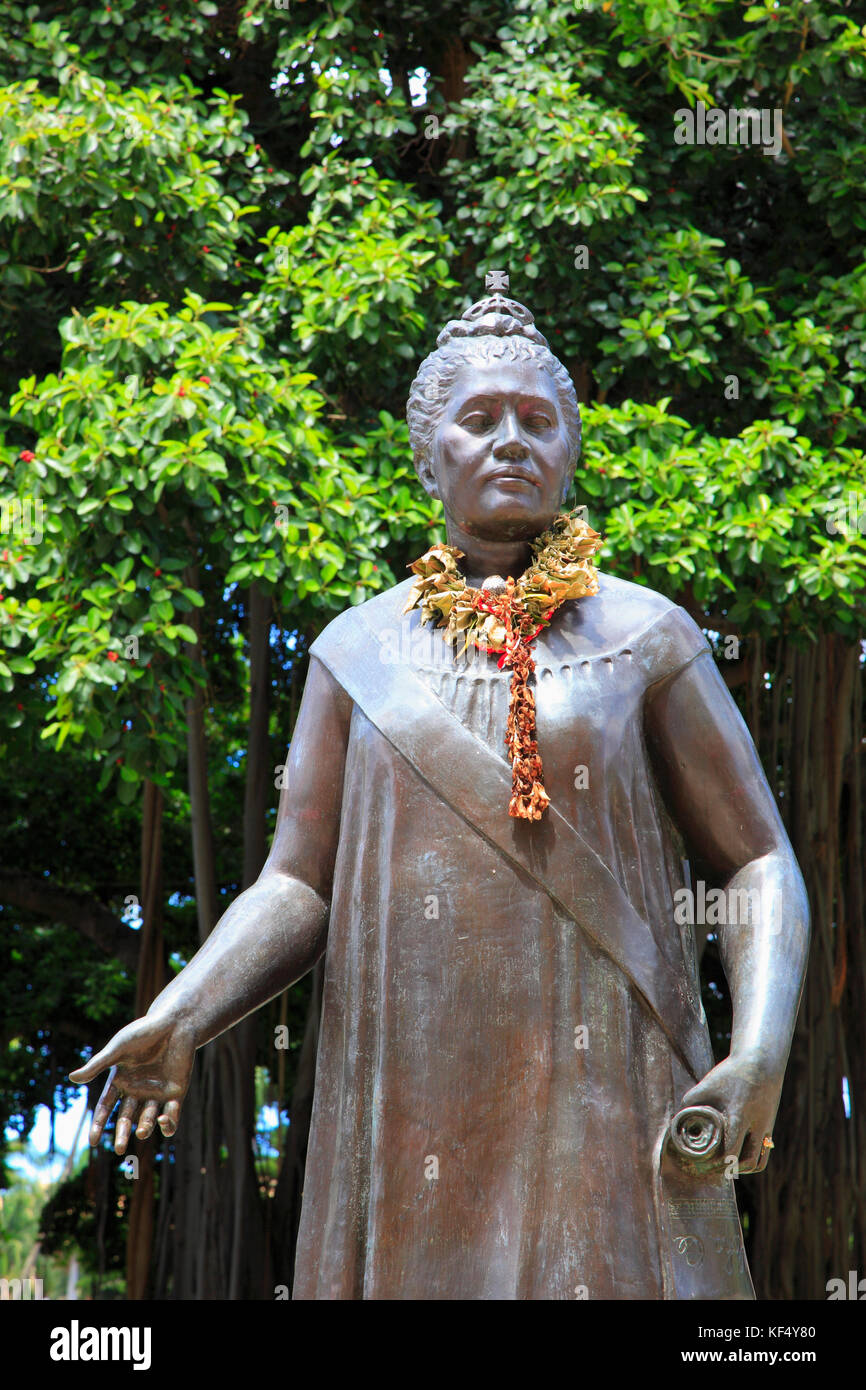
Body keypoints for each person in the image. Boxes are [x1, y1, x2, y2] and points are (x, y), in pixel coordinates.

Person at [71, 279, 809, 1299]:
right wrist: (186, 1009)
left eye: (536, 419)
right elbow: (297, 883)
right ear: (429, 456)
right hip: (409, 1085)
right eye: (478, 419)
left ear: (569, 450)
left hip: (605, 1077)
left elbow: (755, 857)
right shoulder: (354, 651)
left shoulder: (649, 636)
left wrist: (760, 1048)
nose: (510, 438)